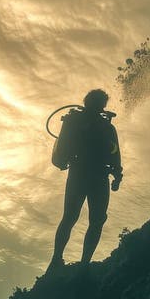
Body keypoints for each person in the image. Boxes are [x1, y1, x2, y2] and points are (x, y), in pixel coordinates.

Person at [47, 89, 122, 271]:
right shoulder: (95, 125)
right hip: (92, 175)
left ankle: (69, 260)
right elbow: (115, 155)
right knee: (83, 218)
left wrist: (117, 174)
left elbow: (115, 153)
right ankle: (70, 261)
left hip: (83, 174)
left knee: (83, 218)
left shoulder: (84, 123)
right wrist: (117, 175)